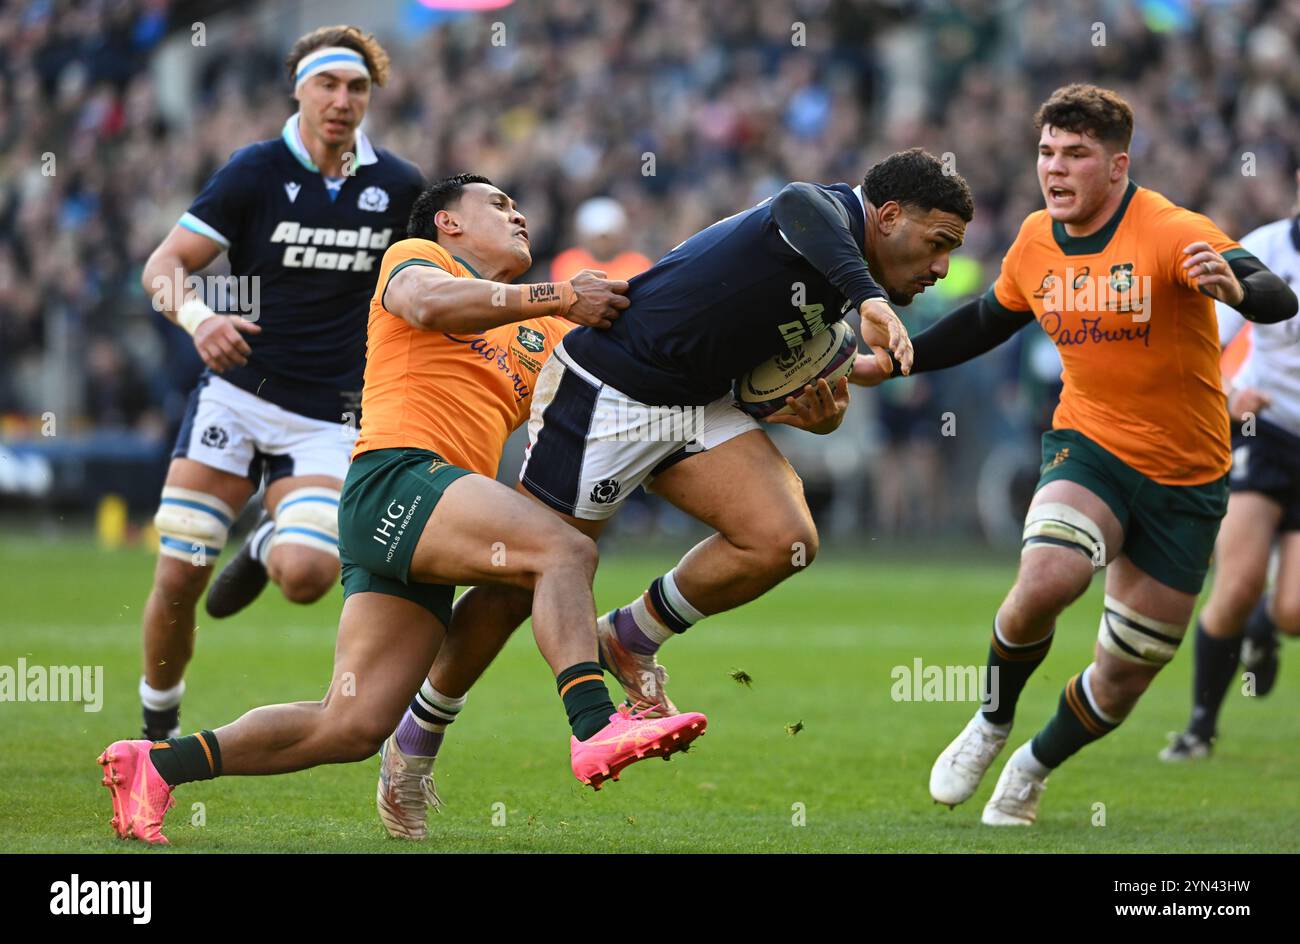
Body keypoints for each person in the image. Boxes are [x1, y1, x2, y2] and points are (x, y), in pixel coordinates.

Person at [376, 149, 973, 838]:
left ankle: (630, 636)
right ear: (889, 217)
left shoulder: (844, 283)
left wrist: (828, 402)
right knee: (523, 580)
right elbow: (794, 204)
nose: (942, 268)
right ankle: (413, 744)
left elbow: (811, 373)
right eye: (937, 245)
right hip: (611, 388)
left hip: (697, 402)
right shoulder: (824, 214)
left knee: (785, 541)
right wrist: (870, 301)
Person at [98, 174, 707, 845]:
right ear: (447, 222)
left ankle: (155, 764)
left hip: (428, 516)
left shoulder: (545, 328)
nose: (519, 214)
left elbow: (628, 383)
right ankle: (595, 727)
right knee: (563, 550)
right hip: (397, 477)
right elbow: (427, 306)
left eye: (517, 204)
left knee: (351, 725)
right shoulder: (417, 259)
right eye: (498, 205)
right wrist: (563, 292)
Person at [853, 85, 1297, 825]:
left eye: (1076, 155)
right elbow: (988, 321)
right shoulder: (1035, 239)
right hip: (1090, 446)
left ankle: (1032, 766)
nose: (1055, 169)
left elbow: (1274, 293)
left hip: (1188, 477)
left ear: (1117, 165)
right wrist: (901, 358)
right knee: (1048, 578)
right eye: (1046, 153)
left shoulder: (1167, 228)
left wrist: (1241, 291)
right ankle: (992, 722)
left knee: (1124, 677)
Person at [135, 26, 423, 740]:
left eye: (357, 88)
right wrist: (201, 318)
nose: (342, 100)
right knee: (179, 578)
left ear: (370, 98)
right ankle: (155, 734)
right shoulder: (255, 171)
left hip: (331, 414)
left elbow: (423, 289)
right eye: (327, 84)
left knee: (307, 577)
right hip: (237, 396)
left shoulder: (398, 186)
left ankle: (265, 543)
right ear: (298, 89)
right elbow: (163, 265)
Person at [1161, 169, 1300, 761]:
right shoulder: (1264, 249)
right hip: (1262, 429)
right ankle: (1198, 727)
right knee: (1238, 582)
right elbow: (1204, 340)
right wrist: (1228, 393)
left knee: (1293, 612)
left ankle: (1266, 631)